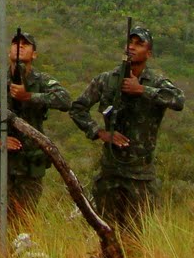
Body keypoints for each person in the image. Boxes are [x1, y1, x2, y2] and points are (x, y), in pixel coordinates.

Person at [68, 25, 185, 236]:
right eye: (130, 42)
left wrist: (142, 90)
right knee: (108, 236)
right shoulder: (106, 79)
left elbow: (178, 100)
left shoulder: (156, 82)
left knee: (137, 237)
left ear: (148, 53)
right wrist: (100, 133)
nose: (132, 47)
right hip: (110, 174)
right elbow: (77, 109)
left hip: (140, 176)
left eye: (139, 44)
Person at [0, 29, 73, 239]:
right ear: (8, 51)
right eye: (15, 43)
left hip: (29, 168)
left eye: (25, 44)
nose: (19, 46)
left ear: (34, 54)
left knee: (24, 227)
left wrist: (29, 96)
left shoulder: (42, 81)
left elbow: (65, 100)